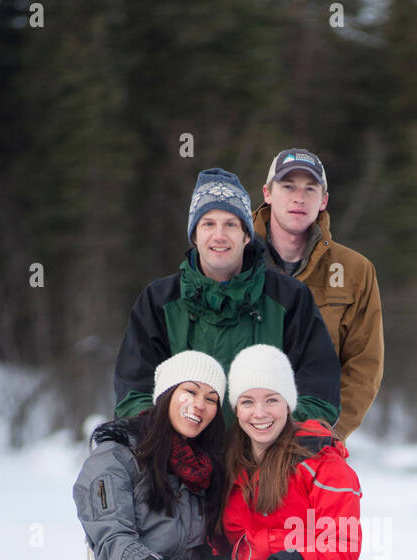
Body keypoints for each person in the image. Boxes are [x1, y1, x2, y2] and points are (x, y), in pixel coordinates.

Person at [113, 167, 340, 429]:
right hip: (179, 464)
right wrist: (175, 448)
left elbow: (320, 394)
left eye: (231, 224)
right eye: (208, 224)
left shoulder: (290, 299)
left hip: (267, 461)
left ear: (246, 235)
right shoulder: (158, 301)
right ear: (194, 235)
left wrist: (270, 442)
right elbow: (133, 395)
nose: (219, 236)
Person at [74, 350, 241, 560]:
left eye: (211, 398)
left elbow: (199, 555)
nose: (199, 405)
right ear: (166, 394)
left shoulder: (204, 469)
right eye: (190, 391)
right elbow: (112, 536)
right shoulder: (115, 456)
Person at [214, 344, 361, 560]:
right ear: (236, 408)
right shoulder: (233, 470)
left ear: (288, 404)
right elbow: (229, 545)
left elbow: (342, 549)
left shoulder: (323, 462)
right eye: (248, 401)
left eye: (272, 400)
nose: (260, 413)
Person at [253, 148, 384, 439]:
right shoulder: (232, 258)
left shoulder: (355, 271)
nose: (299, 197)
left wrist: (325, 433)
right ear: (268, 193)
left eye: (310, 188)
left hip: (312, 443)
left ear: (323, 200)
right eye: (288, 186)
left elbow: (364, 366)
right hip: (237, 441)